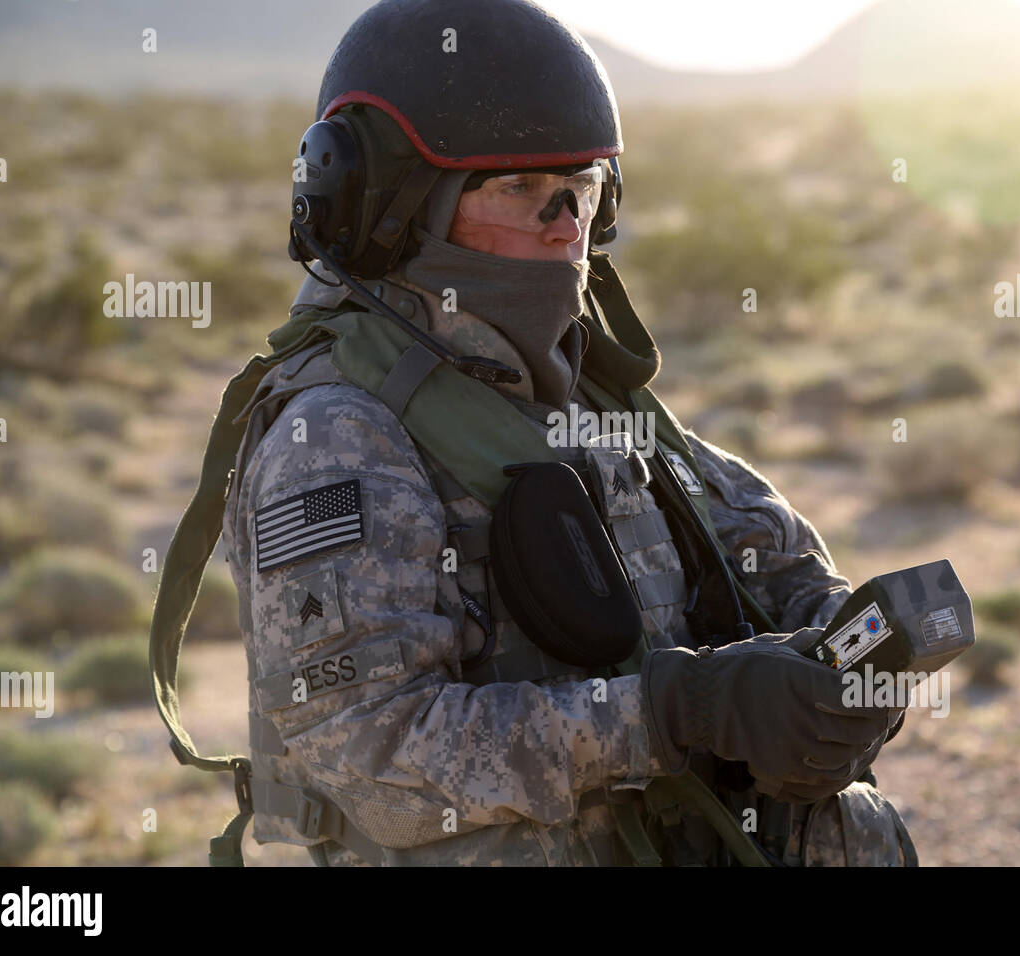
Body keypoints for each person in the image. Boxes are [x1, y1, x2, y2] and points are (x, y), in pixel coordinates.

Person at [203, 0, 914, 866]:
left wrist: (836, 659)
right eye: (519, 190)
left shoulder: (587, 395)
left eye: (579, 190)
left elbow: (763, 553)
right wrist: (676, 712)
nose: (565, 224)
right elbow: (374, 754)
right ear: (393, 210)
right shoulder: (342, 435)